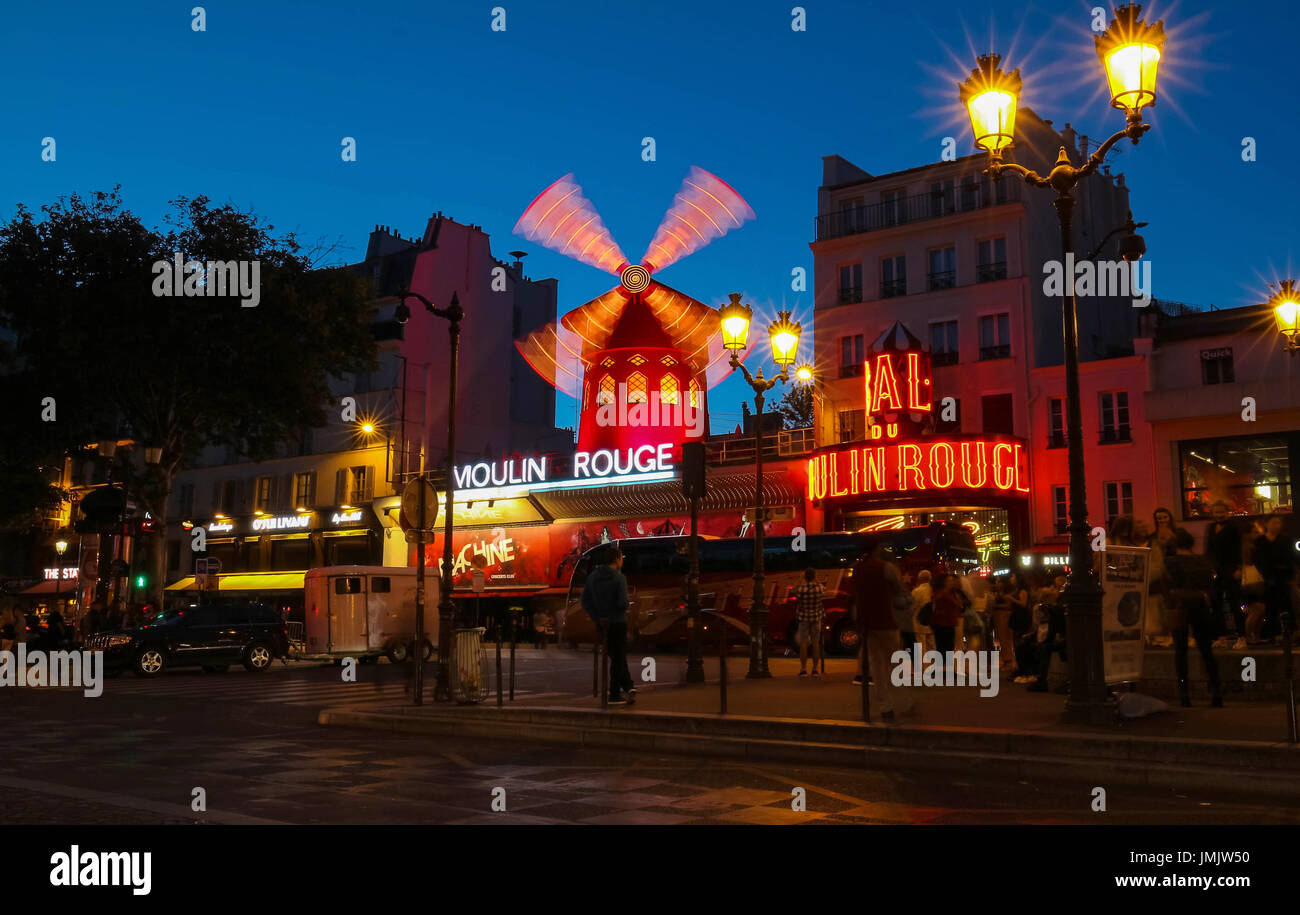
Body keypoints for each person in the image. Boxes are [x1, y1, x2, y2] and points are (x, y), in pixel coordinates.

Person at [851, 538, 909, 719]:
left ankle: (885, 704)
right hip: (885, 619)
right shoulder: (886, 568)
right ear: (877, 548)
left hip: (866, 622)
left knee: (876, 665)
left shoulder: (857, 569)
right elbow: (899, 590)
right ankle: (902, 698)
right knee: (894, 660)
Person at [1165, 528, 1223, 707]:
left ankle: (1184, 694)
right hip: (1200, 604)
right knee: (1206, 651)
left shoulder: (1171, 562)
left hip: (1181, 605)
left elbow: (1168, 583)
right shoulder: (1202, 561)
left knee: (1181, 652)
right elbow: (1211, 583)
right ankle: (1216, 693)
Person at [581, 546, 634, 705]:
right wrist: (616, 612)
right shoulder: (619, 578)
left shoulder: (592, 577)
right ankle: (616, 693)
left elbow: (585, 602)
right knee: (618, 657)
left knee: (614, 657)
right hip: (617, 622)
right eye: (621, 558)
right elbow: (623, 603)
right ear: (617, 559)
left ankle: (627, 687)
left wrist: (597, 617)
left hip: (601, 623)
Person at [1203, 501, 1244, 644]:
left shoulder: (1234, 526)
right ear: (1212, 514)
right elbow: (1208, 549)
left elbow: (1240, 548)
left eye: (1222, 512)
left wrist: (1239, 567)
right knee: (1216, 603)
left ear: (1228, 512)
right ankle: (1221, 636)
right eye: (1217, 512)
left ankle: (1241, 636)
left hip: (1231, 568)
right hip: (1216, 570)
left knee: (1234, 603)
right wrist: (1207, 566)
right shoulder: (1211, 527)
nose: (1219, 515)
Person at [1253, 514, 1295, 642]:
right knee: (1270, 607)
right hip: (1266, 577)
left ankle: (1288, 633)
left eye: (1278, 523)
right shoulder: (1259, 541)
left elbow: (1291, 557)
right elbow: (1257, 559)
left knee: (1286, 605)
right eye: (1274, 523)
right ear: (1266, 524)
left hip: (1282, 577)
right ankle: (1273, 633)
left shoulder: (1286, 540)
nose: (1277, 526)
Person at [792, 567, 826, 678]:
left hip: (804, 619)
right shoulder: (820, 588)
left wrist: (801, 579)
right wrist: (816, 580)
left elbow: (793, 590)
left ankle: (803, 669)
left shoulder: (801, 589)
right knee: (816, 643)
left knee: (803, 644)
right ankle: (815, 669)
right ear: (814, 576)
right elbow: (823, 589)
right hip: (816, 618)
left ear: (805, 576)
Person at [929, 572, 965, 659]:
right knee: (944, 646)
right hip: (943, 623)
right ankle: (943, 668)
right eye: (949, 581)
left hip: (949, 622)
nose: (952, 582)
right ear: (944, 582)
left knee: (946, 646)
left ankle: (944, 668)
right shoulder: (942, 593)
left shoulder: (951, 592)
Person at [910, 570, 935, 655]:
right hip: (931, 623)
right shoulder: (933, 591)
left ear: (919, 579)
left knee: (920, 647)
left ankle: (923, 666)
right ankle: (934, 665)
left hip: (919, 623)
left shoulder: (916, 591)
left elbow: (911, 607)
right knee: (932, 646)